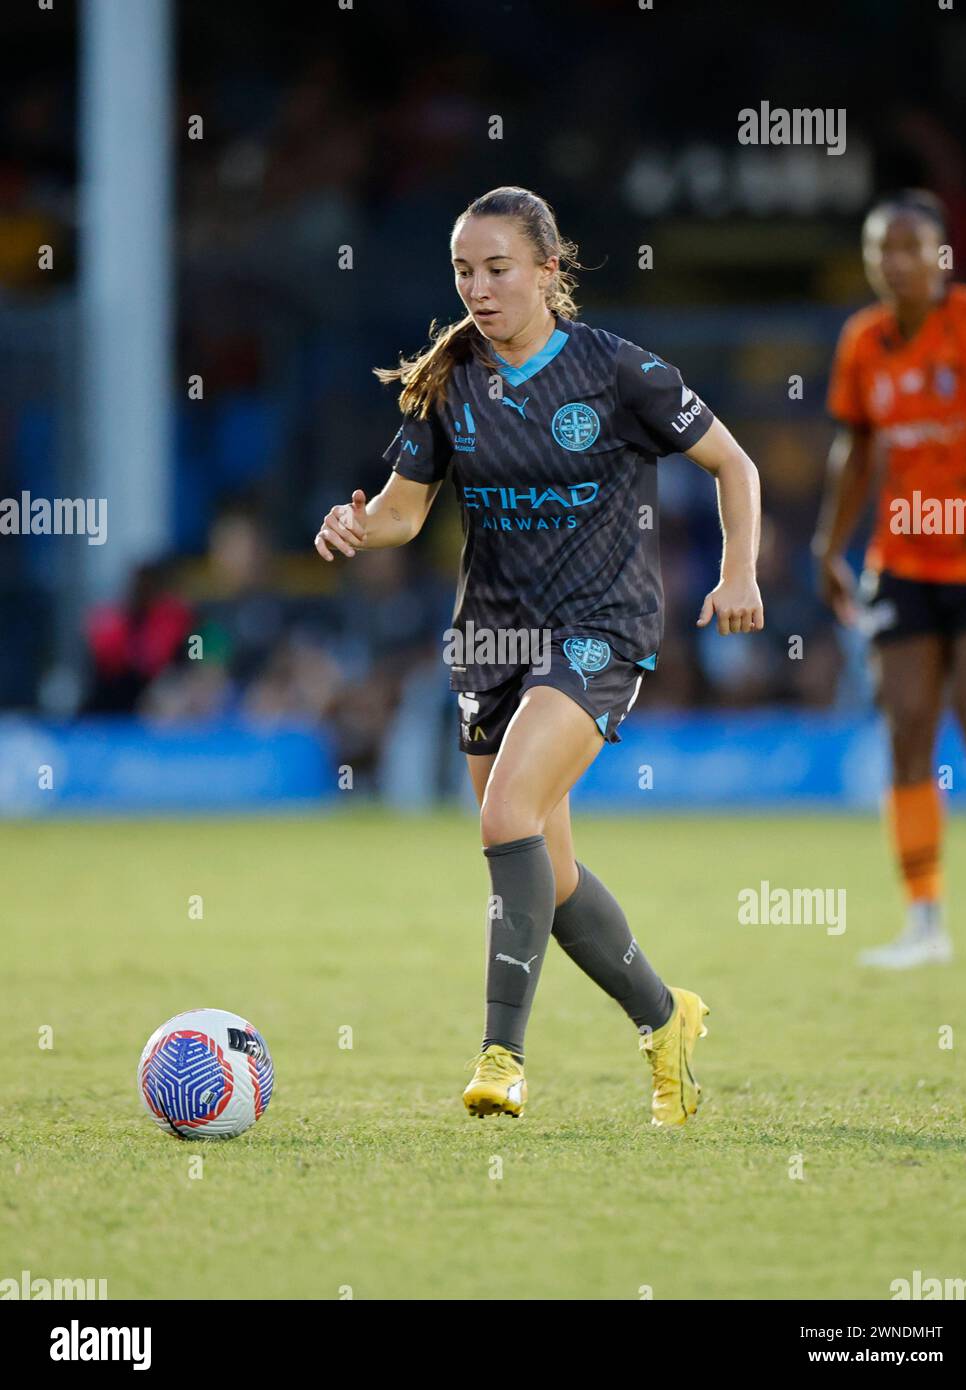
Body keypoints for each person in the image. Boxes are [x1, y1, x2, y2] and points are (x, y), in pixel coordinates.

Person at [315, 186, 763, 1125]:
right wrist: (359, 527)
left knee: (504, 815)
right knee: (545, 875)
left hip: (601, 626)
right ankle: (664, 1016)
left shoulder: (616, 371)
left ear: (549, 272)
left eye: (497, 269)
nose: (478, 289)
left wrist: (737, 575)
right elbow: (404, 512)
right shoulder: (451, 381)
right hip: (491, 639)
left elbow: (735, 464)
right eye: (463, 273)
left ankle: (501, 1057)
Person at [814, 189, 966, 969]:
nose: (893, 261)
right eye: (880, 248)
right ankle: (924, 923)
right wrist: (828, 544)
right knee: (908, 725)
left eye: (909, 246)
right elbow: (856, 448)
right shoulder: (864, 341)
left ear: (941, 256)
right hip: (902, 559)